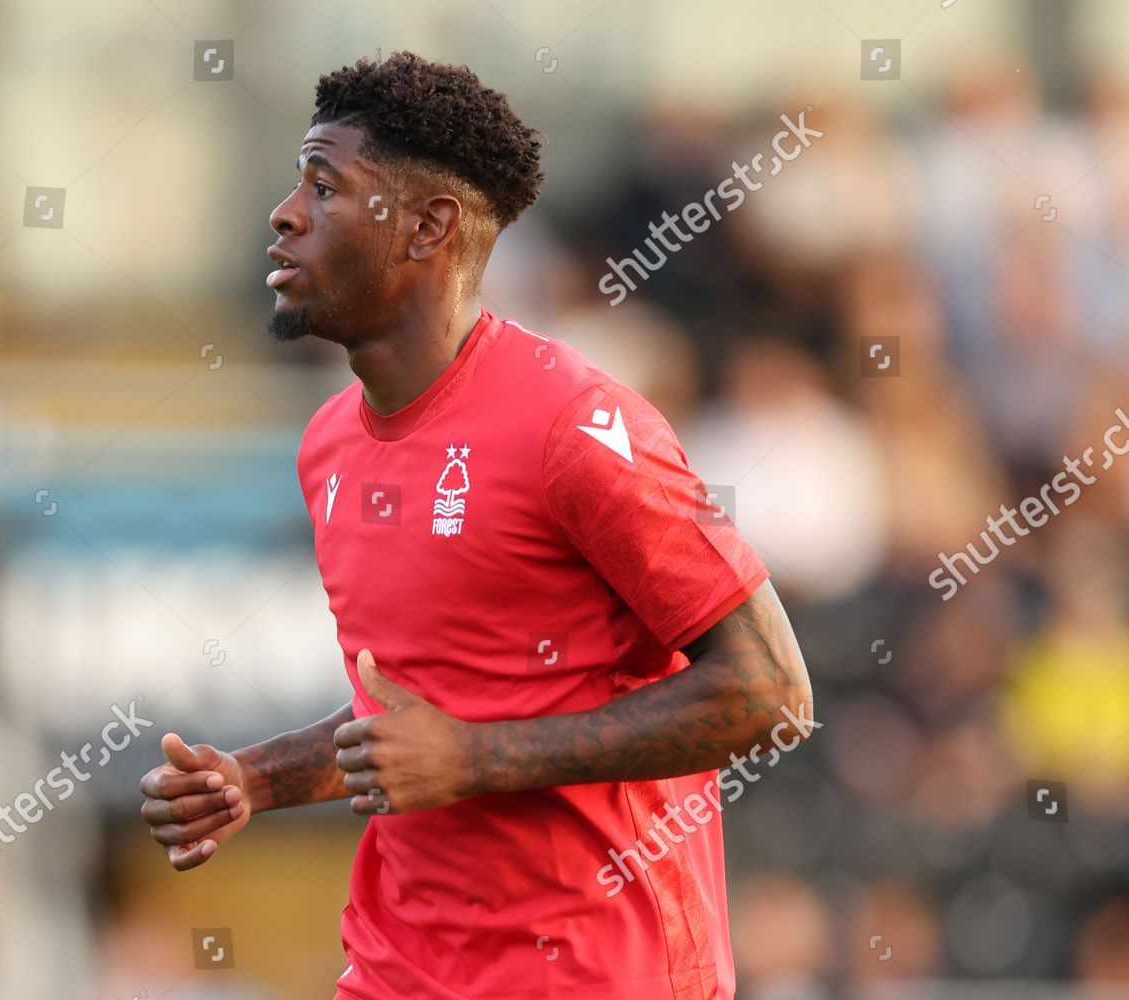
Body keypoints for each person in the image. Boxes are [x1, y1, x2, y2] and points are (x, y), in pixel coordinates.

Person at [140, 51, 812, 1000]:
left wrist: (477, 759)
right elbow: (418, 707)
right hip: (401, 971)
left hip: (598, 974)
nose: (285, 213)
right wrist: (257, 780)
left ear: (429, 226)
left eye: (325, 186)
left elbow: (771, 692)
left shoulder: (575, 427)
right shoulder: (329, 442)